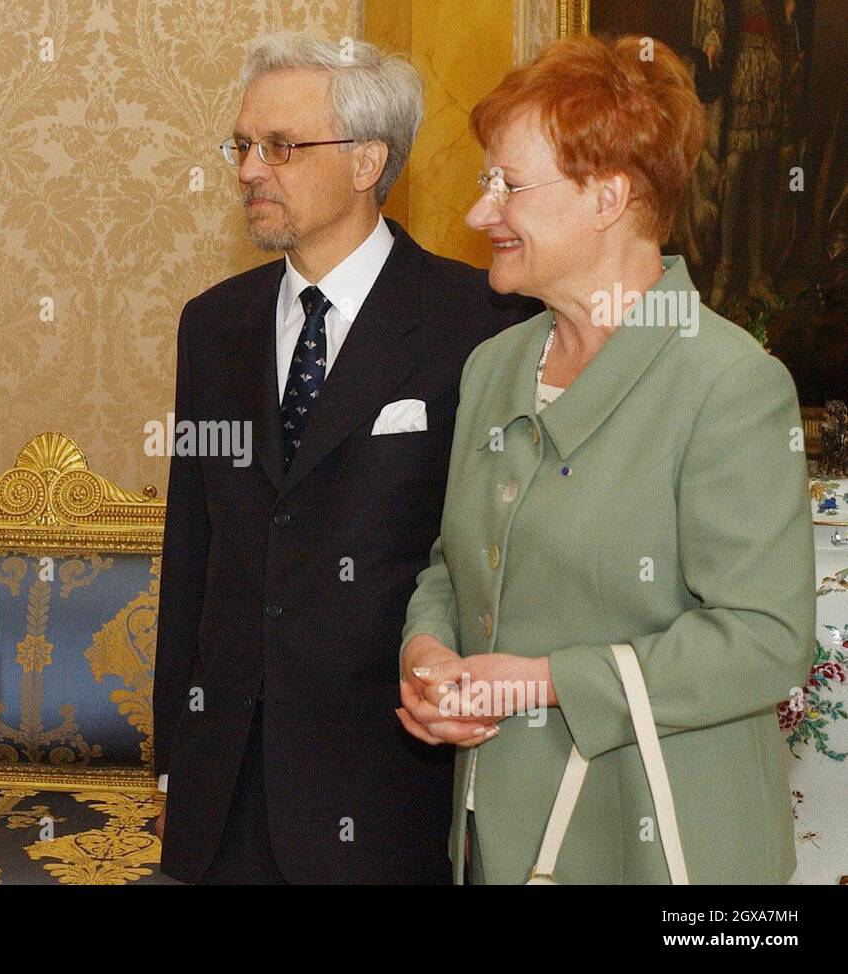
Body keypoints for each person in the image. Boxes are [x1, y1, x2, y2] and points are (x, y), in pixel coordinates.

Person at [397, 35, 815, 884]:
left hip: (663, 841)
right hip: (496, 835)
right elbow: (455, 562)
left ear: (609, 196)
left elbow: (767, 641)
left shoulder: (728, 383)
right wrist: (428, 653)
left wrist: (542, 681)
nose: (479, 214)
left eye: (507, 185)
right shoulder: (494, 367)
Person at [153, 32, 540, 884]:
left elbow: (488, 560)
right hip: (227, 793)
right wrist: (175, 764)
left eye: (280, 147)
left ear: (368, 160)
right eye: (242, 145)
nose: (250, 170)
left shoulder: (480, 324)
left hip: (393, 785)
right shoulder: (212, 325)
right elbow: (192, 554)